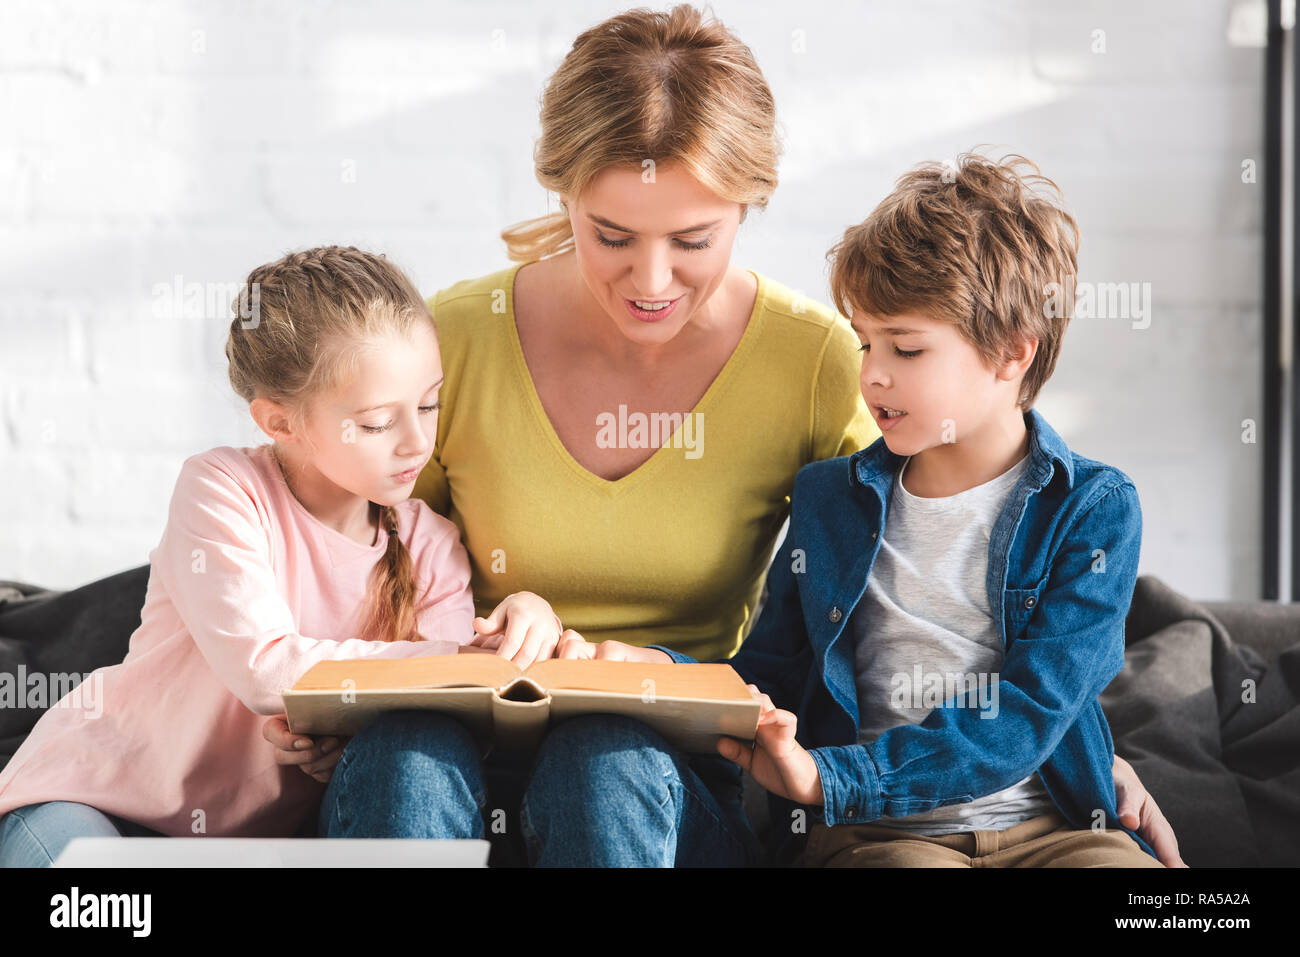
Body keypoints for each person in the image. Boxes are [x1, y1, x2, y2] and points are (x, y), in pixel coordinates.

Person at [267, 7, 1182, 867]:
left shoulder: (819, 361)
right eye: (611, 234)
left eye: (693, 240)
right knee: (403, 757)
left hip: (665, 772)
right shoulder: (453, 340)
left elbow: (932, 556)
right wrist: (336, 694)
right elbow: (359, 550)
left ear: (749, 207)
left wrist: (1076, 750)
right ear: (564, 193)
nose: (651, 280)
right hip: (456, 731)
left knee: (606, 755)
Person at [599, 150, 1176, 867]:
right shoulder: (830, 499)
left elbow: (1032, 708)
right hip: (879, 831)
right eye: (866, 341)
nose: (872, 373)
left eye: (905, 348)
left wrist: (835, 776)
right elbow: (770, 673)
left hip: (1057, 825)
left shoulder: (1093, 509)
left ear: (1011, 353)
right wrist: (655, 668)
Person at [0, 246, 556, 867]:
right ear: (280, 422)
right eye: (376, 423)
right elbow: (267, 669)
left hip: (254, 842)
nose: (417, 441)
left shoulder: (430, 544)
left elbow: (450, 713)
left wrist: (347, 741)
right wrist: (460, 661)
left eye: (428, 404)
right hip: (96, 798)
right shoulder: (220, 488)